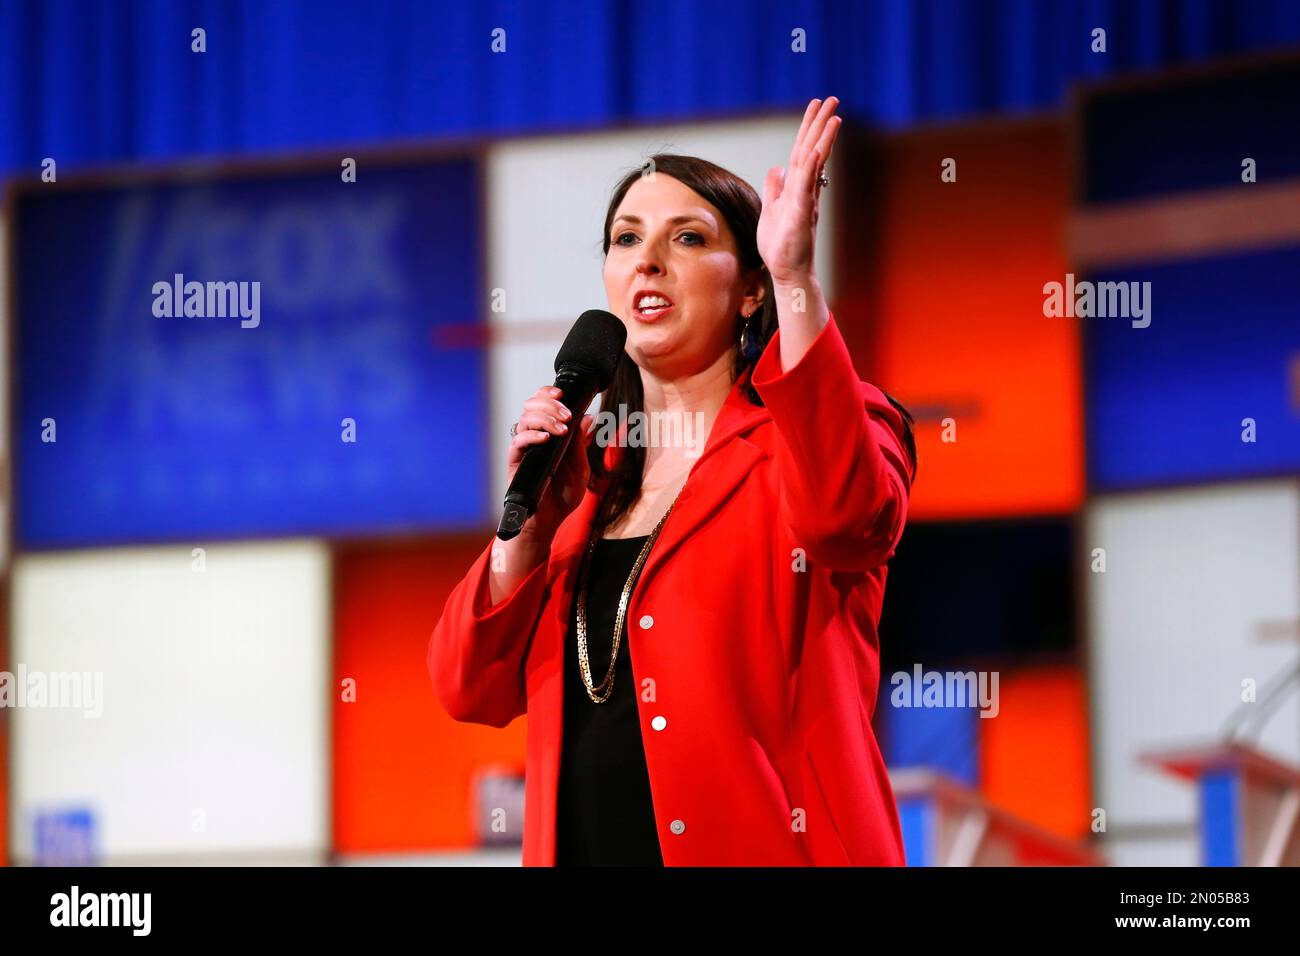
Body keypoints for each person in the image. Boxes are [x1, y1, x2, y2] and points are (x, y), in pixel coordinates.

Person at [428, 96, 918, 866]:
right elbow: (469, 690)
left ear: (750, 288)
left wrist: (795, 278)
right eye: (627, 239)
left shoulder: (828, 423)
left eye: (687, 238)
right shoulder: (589, 480)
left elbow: (844, 522)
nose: (648, 260)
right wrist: (524, 533)